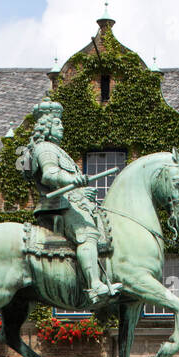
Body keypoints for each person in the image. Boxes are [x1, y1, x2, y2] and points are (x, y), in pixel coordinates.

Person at [20, 98, 117, 303]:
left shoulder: (57, 150)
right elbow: (49, 174)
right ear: (47, 127)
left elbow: (67, 185)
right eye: (57, 123)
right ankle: (94, 285)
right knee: (87, 234)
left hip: (69, 203)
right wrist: (74, 179)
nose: (62, 127)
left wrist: (82, 191)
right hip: (58, 207)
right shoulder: (45, 148)